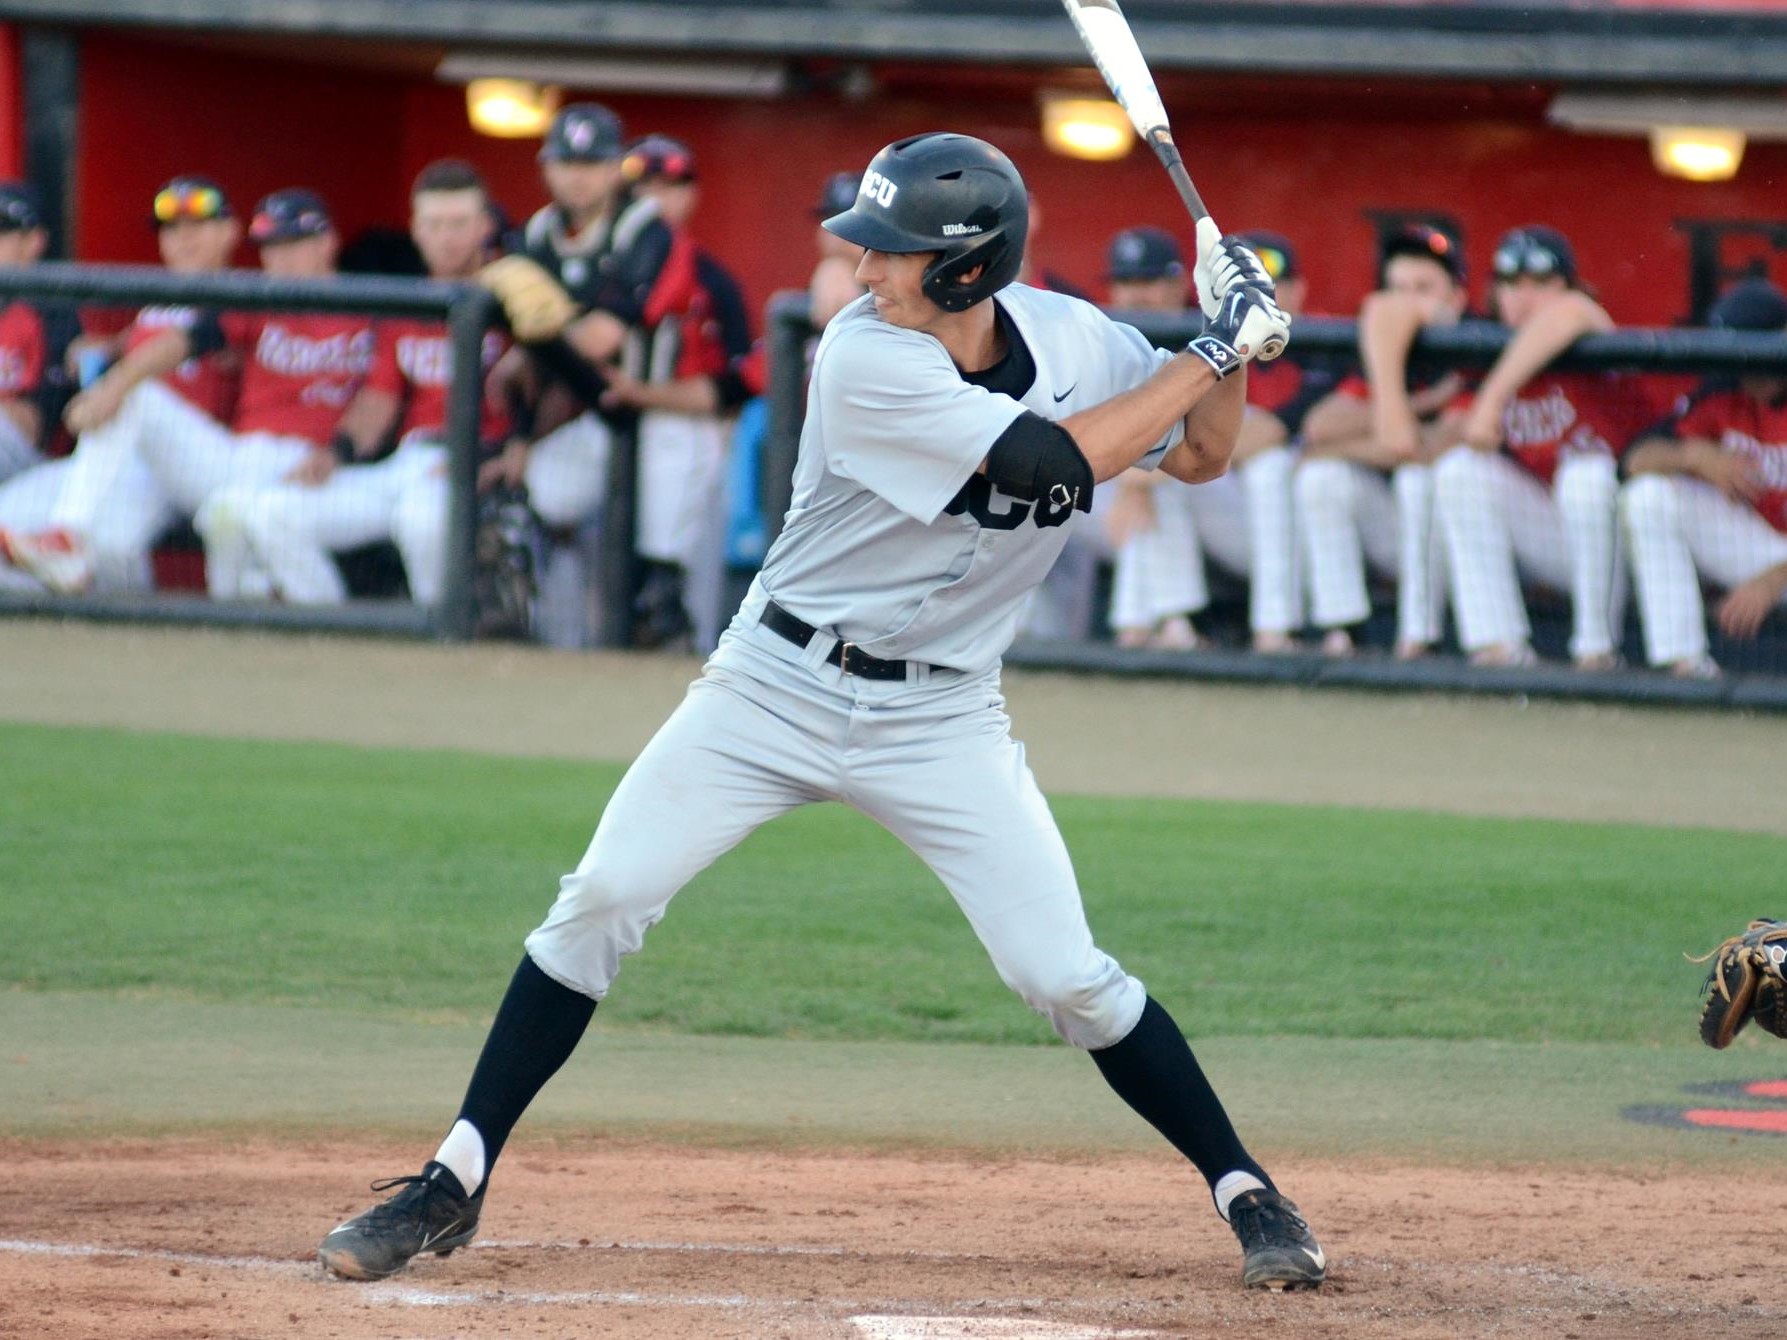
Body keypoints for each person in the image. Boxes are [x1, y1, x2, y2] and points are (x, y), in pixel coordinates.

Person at [316, 131, 1324, 1295]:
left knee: (1064, 975)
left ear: (961, 270)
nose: (859, 267)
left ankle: (1246, 1187)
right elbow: (1049, 467)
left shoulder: (1080, 342)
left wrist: (1237, 338)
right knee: (600, 896)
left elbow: (1200, 453)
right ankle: (451, 1179)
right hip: (774, 683)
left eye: (890, 252)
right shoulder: (859, 359)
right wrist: (1206, 344)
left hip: (941, 715)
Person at [220, 162, 508, 606]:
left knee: (421, 520)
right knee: (272, 512)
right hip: (407, 462)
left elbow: (540, 388)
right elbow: (379, 398)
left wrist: (500, 452)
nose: (446, 237)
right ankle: (331, 631)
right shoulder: (406, 304)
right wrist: (336, 453)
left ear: (484, 227)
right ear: (416, 228)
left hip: (468, 464)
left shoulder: (510, 298)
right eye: (434, 224)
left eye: (459, 224)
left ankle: (443, 651)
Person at [1, 176, 244, 593]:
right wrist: (97, 350)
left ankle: (68, 537)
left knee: (138, 395)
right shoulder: (157, 303)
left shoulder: (244, 293)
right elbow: (127, 346)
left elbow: (193, 342)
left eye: (196, 226)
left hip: (200, 456)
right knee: (18, 526)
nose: (182, 239)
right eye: (172, 229)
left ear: (229, 231)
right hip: (126, 460)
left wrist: (112, 386)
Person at [1435, 226, 1651, 669]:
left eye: (1541, 285)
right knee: (1460, 469)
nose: (1524, 297)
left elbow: (1570, 313)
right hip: (1559, 539)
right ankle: (1498, 646)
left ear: (1566, 286)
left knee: (1585, 475)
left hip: (1636, 544)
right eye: (1512, 285)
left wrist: (1490, 400)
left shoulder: (1585, 323)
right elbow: (1443, 439)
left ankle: (1597, 649)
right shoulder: (1488, 351)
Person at [1103, 226, 1301, 651]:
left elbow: (1271, 433)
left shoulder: (1307, 349)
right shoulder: (1149, 340)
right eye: (1126, 283)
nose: (1136, 295)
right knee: (1155, 471)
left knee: (1269, 469)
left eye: (1268, 287)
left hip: (1294, 532)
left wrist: (1142, 473)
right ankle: (1157, 624)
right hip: (1211, 507)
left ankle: (1275, 629)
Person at [1294, 223, 1468, 658]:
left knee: (1417, 480)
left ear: (1456, 298)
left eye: (1423, 288)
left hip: (1476, 541)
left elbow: (1423, 450)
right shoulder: (1389, 353)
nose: (1407, 301)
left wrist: (1388, 434)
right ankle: (1342, 630)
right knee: (1322, 475)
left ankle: (1420, 637)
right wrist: (1421, 405)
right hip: (1403, 538)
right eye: (1397, 288)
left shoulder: (1473, 349)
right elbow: (1321, 427)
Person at [1621, 277, 1787, 677]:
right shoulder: (1722, 391)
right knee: (1648, 495)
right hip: (1764, 549)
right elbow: (1635, 461)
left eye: (1756, 359)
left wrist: (1773, 581)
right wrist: (1695, 456)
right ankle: (1683, 662)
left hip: (1779, 571)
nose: (1751, 374)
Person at [809, 170, 867, 330]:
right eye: (829, 222)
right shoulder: (824, 275)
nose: (838, 239)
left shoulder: (903, 286)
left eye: (852, 226)